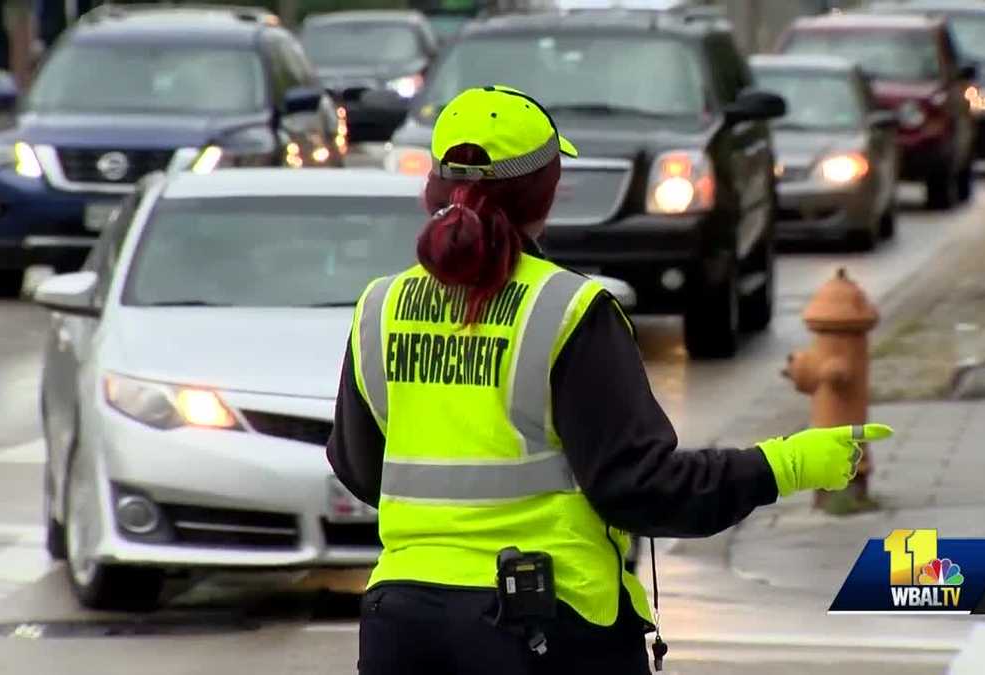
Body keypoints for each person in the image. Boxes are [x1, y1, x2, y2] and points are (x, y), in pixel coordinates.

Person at [327, 84, 894, 675]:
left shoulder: (381, 307)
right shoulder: (566, 311)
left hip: (403, 627)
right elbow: (642, 489)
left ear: (434, 187)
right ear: (546, 193)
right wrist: (785, 466)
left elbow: (360, 469)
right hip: (544, 628)